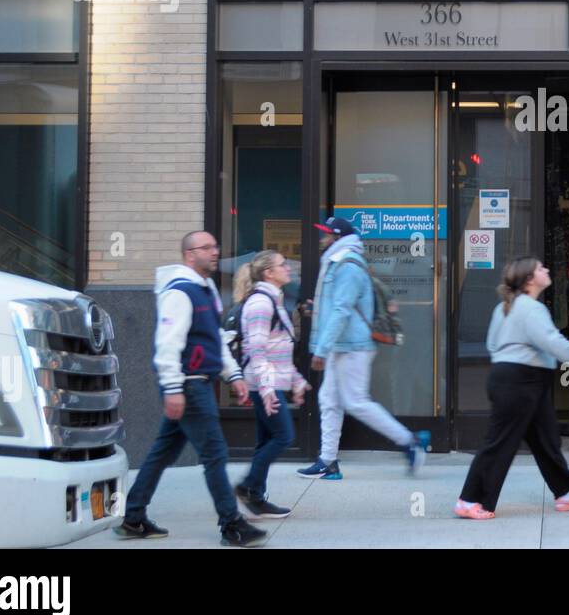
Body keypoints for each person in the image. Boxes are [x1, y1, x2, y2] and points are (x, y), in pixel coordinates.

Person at [117, 231, 267, 547]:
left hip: (196, 382)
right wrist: (172, 388)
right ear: (189, 254)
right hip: (188, 385)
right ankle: (232, 525)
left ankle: (133, 518)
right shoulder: (180, 293)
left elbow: (213, 338)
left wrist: (234, 375)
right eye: (206, 248)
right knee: (215, 454)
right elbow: (167, 345)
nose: (214, 252)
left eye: (215, 247)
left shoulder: (205, 289)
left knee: (161, 453)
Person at [455, 257, 569, 519]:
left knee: (547, 440)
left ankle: (565, 495)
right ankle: (468, 500)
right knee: (500, 443)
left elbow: (492, 345)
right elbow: (553, 342)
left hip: (518, 379)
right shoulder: (531, 309)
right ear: (530, 279)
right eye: (541, 268)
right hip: (519, 382)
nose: (547, 270)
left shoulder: (505, 308)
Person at [298, 217, 429, 479]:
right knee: (329, 401)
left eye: (326, 235)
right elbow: (336, 307)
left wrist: (321, 350)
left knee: (355, 402)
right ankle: (328, 461)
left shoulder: (347, 265)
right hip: (343, 344)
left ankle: (410, 441)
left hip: (353, 346)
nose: (322, 239)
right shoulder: (338, 262)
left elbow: (341, 310)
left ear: (337, 238)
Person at [233, 249, 310, 519]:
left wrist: (297, 380)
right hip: (263, 384)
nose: (288, 268)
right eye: (282, 265)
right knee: (283, 436)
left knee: (266, 439)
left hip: (267, 382)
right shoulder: (260, 304)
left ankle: (255, 496)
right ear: (268, 273)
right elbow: (257, 351)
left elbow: (279, 348)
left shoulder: (273, 300)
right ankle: (247, 486)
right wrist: (267, 390)